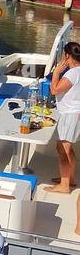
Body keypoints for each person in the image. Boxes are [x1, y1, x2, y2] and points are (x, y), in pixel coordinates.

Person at [48, 42, 80, 197]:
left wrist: (56, 73)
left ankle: (64, 185)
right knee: (68, 148)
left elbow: (54, 90)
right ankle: (69, 178)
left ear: (67, 56)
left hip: (69, 115)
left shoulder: (72, 74)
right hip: (74, 114)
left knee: (63, 150)